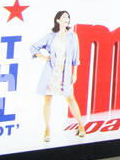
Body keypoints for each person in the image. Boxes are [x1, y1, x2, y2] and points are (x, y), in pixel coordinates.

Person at [31, 11, 85, 142]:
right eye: (64, 17)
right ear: (58, 20)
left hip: (65, 73)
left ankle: (81, 125)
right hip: (51, 72)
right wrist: (44, 57)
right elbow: (33, 47)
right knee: (48, 99)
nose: (67, 19)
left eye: (68, 17)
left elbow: (76, 57)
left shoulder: (73, 36)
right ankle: (47, 129)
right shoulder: (50, 36)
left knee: (70, 99)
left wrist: (75, 73)